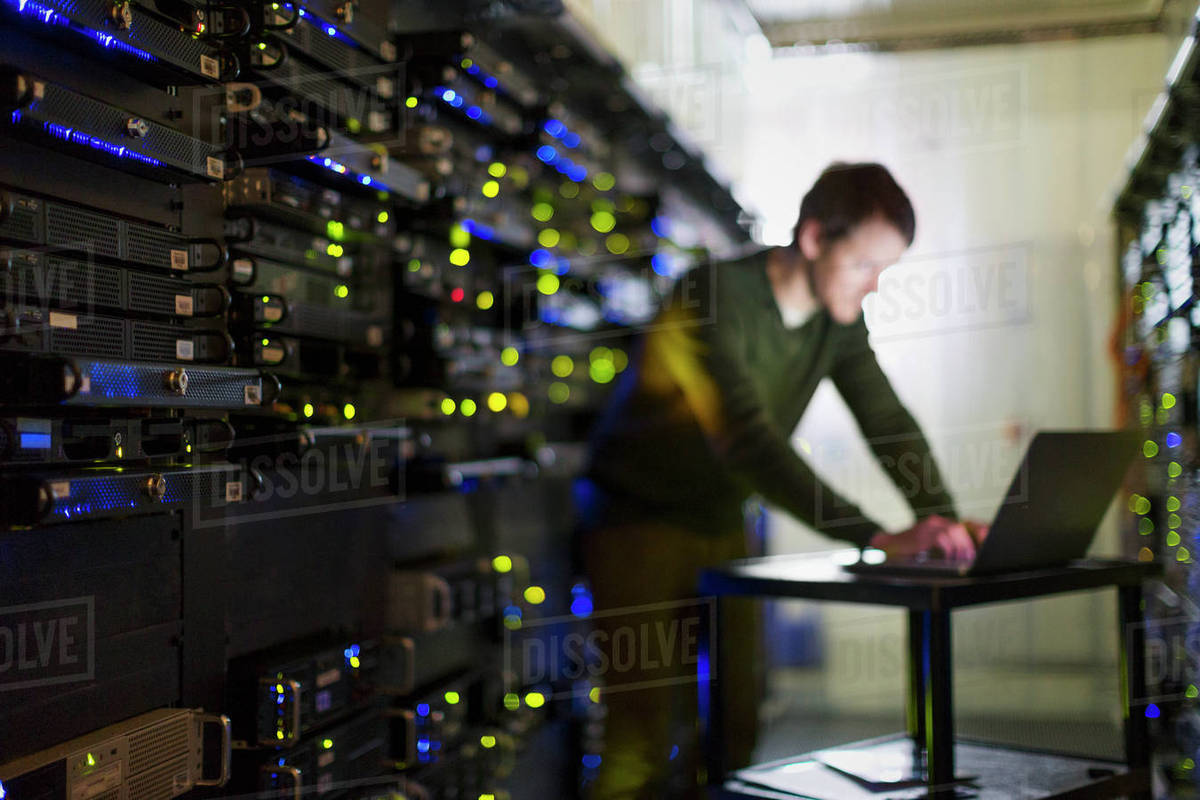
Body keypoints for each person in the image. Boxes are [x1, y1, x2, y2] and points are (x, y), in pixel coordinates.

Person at [573, 162, 987, 800]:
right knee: (641, 735)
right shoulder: (708, 297)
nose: (875, 286)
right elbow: (747, 443)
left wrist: (946, 521)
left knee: (736, 728)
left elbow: (887, 421)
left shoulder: (838, 322)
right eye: (864, 265)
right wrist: (876, 535)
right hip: (636, 523)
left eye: (885, 270)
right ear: (816, 238)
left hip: (721, 523)